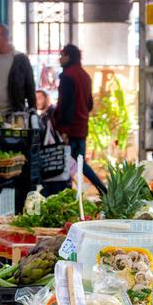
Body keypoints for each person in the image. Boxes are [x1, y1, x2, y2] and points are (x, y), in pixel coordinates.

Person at [51, 43, 107, 196]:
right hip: (81, 127)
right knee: (79, 163)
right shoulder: (85, 75)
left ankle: (68, 196)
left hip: (70, 129)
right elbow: (89, 104)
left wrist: (63, 130)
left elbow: (66, 105)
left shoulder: (68, 76)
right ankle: (101, 189)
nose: (60, 59)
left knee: (67, 164)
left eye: (62, 55)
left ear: (68, 56)